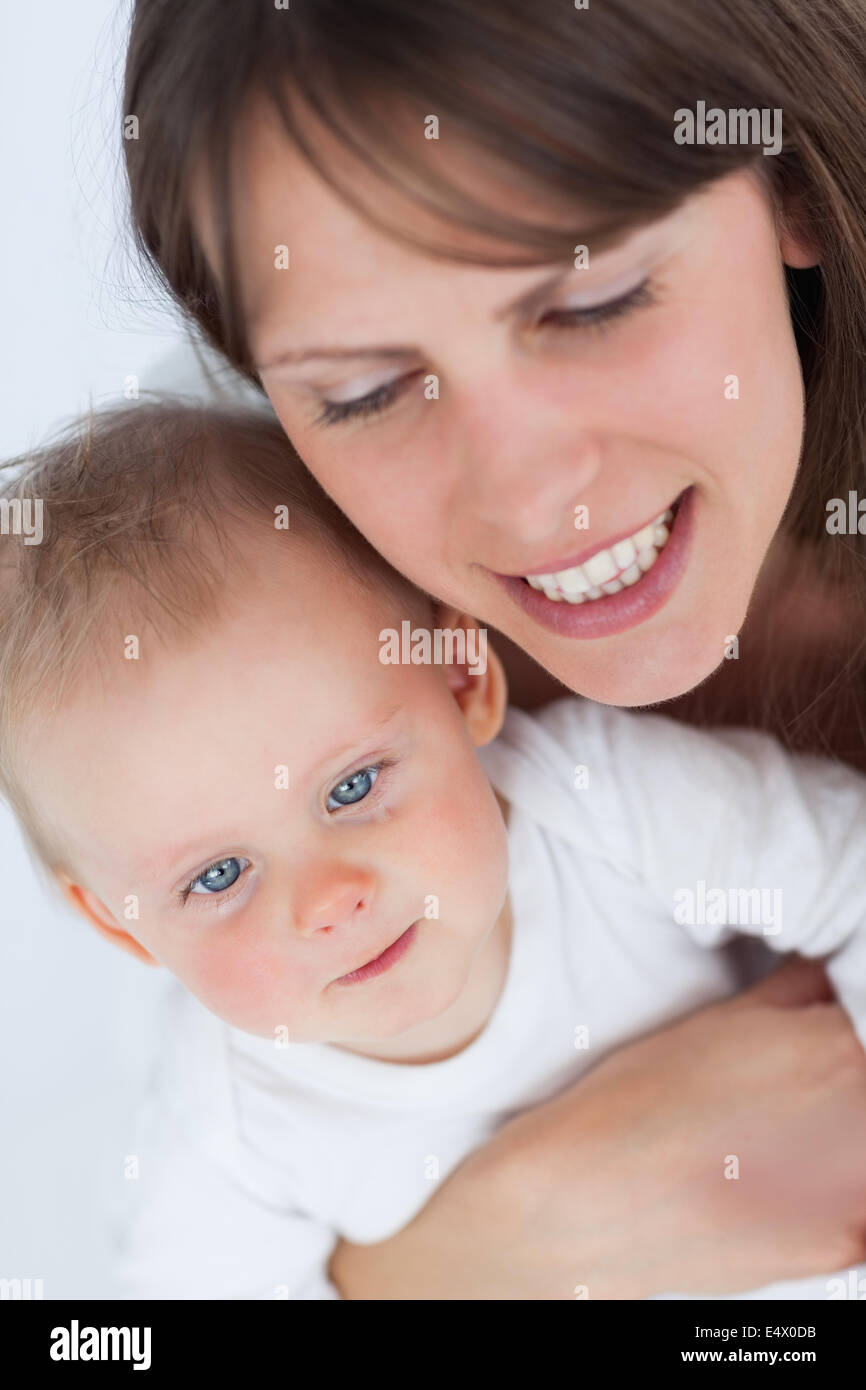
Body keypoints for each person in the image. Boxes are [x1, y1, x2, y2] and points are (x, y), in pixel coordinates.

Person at [118, 1, 866, 1294]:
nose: (529, 501)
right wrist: (472, 1257)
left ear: (788, 178)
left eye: (593, 301)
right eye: (357, 389)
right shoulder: (288, 697)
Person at [2, 399, 866, 1302]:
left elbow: (847, 866)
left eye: (353, 787)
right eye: (218, 876)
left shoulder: (602, 809)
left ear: (462, 678)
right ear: (126, 927)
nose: (330, 899)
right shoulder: (234, 1119)